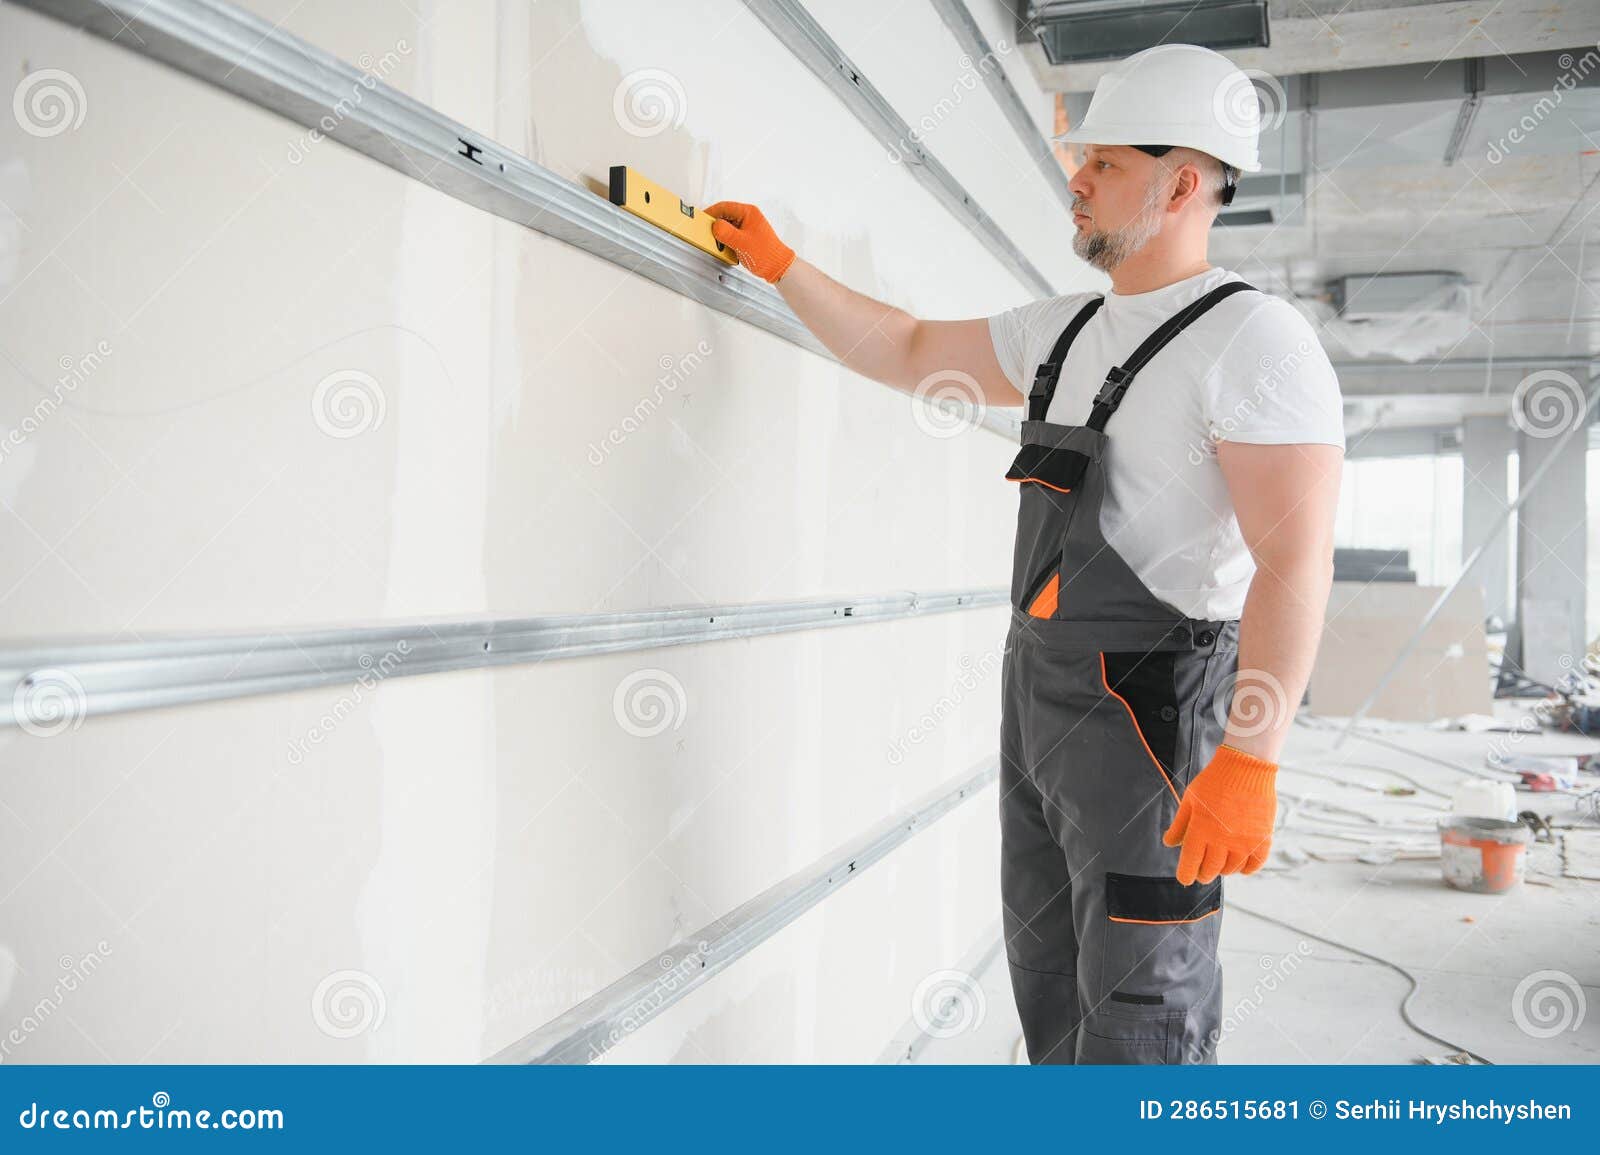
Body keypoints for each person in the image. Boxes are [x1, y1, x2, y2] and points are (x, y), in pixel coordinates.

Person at [706, 42, 1345, 1064]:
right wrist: (785, 269)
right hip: (1041, 692)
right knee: (1049, 977)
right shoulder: (1066, 330)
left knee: (1143, 1002)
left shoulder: (1254, 343)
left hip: (1153, 712)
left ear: (1182, 184)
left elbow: (1295, 560)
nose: (1077, 181)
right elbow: (908, 349)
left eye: (1105, 164)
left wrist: (1252, 758)